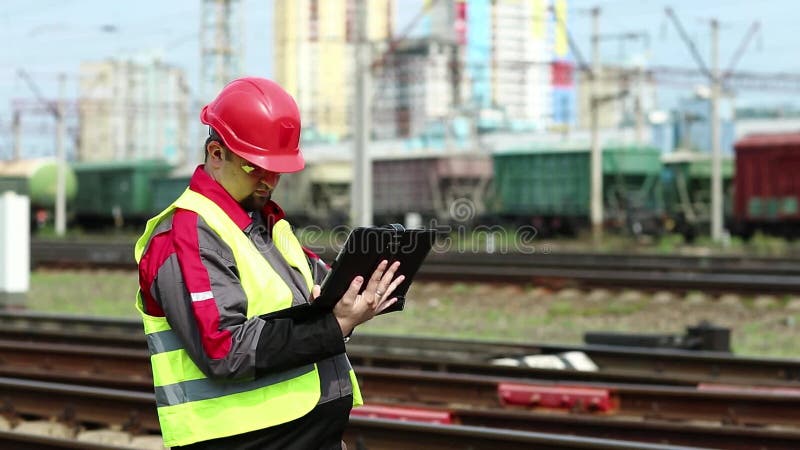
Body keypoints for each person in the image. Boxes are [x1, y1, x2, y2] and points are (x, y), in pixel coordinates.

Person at [134, 77, 404, 450]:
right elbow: (225, 349)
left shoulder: (267, 225)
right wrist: (335, 325)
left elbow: (314, 306)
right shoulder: (188, 235)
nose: (269, 181)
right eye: (255, 167)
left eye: (277, 169)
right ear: (216, 154)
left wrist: (349, 303)